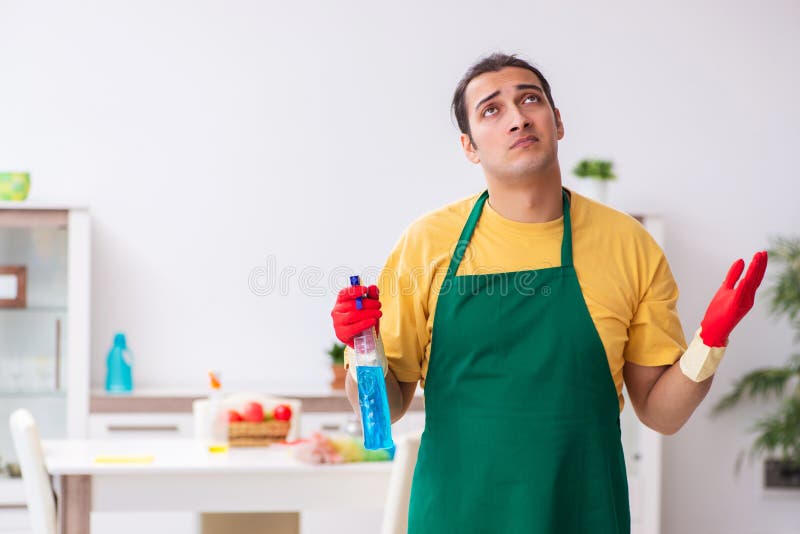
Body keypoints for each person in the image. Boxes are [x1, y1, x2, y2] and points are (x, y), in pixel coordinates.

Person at [330, 52, 768, 534]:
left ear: (557, 122)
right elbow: (387, 408)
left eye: (530, 99)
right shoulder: (427, 243)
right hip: (457, 516)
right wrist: (361, 349)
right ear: (469, 147)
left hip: (583, 514)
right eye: (491, 110)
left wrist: (710, 340)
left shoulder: (627, 245)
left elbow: (661, 414)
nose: (517, 118)